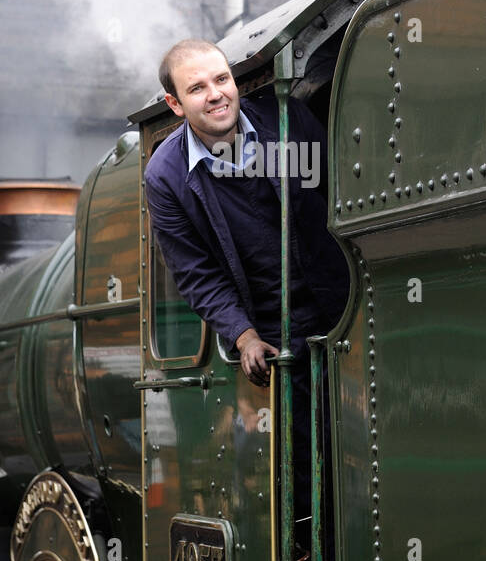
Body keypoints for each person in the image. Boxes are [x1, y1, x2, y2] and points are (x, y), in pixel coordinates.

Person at [143, 38, 350, 387]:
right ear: (175, 104)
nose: (215, 94)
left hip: (342, 298)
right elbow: (197, 273)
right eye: (197, 88)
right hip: (271, 331)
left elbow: (340, 192)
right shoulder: (164, 177)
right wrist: (244, 336)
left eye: (222, 80)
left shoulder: (288, 120)